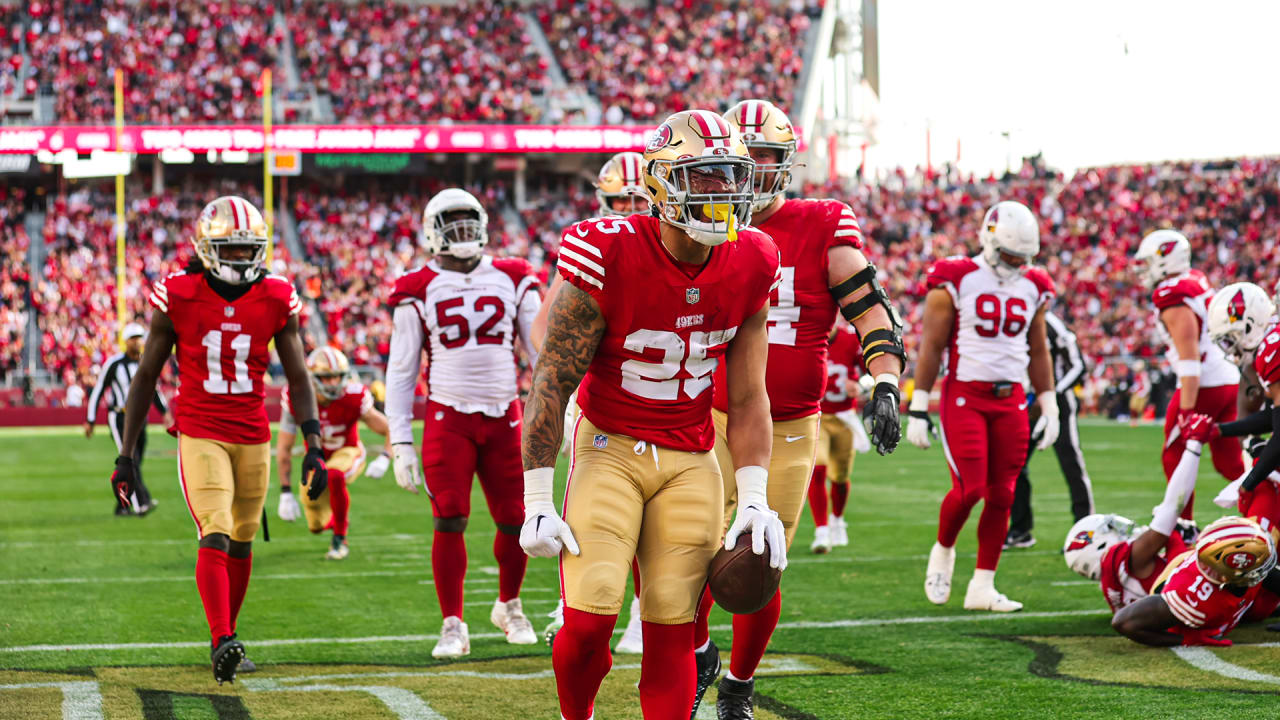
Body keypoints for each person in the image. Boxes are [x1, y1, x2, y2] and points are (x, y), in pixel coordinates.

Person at [519, 109, 786, 720]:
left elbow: (747, 398)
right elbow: (551, 380)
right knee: (590, 622)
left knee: (671, 625)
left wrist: (752, 496)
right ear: (662, 182)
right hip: (609, 446)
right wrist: (536, 496)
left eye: (732, 177)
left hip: (691, 459)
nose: (723, 193)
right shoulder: (607, 250)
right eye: (705, 177)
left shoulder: (754, 258)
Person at [692, 98, 906, 719]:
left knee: (759, 562)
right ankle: (700, 651)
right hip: (700, 416)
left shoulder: (822, 222)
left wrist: (887, 383)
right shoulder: (697, 222)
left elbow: (870, 310)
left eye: (767, 158)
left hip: (787, 421)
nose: (755, 172)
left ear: (786, 164)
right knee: (679, 553)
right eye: (745, 157)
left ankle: (737, 683)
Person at [109, 196, 326, 684]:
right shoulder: (179, 294)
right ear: (206, 248)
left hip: (252, 431)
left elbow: (298, 376)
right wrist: (126, 455)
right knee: (217, 525)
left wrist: (313, 440)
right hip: (201, 427)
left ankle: (227, 635)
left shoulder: (275, 295)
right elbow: (145, 377)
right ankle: (222, 638)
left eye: (247, 249)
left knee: (245, 536)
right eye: (228, 249)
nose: (239, 259)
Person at [385, 188, 543, 658]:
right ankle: (452, 623)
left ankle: (509, 605)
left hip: (504, 411)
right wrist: (400, 442)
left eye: (469, 222)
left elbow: (541, 353)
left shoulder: (513, 275)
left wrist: (563, 409)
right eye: (452, 224)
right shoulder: (417, 286)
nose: (463, 232)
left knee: (517, 519)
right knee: (449, 515)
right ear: (434, 231)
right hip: (447, 414)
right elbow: (401, 368)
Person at [907, 200, 1058, 612]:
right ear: (990, 241)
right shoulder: (956, 277)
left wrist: (1050, 405)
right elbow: (932, 346)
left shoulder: (1035, 284)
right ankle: (943, 550)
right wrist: (919, 404)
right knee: (970, 488)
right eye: (1010, 256)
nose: (1016, 264)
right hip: (965, 396)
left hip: (1012, 399)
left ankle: (982, 587)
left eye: (1022, 258)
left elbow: (1038, 349)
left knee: (1003, 495)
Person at [535, 151, 652, 654]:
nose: (626, 209)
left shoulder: (683, 245)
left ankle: (648, 615)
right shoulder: (594, 250)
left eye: (636, 198)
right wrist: (564, 392)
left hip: (672, 402)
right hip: (604, 401)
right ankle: (578, 601)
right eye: (617, 199)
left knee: (665, 523)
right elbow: (545, 328)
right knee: (593, 506)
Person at [1131, 230, 1243, 518]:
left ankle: (1182, 525)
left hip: (1204, 383)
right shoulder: (1194, 279)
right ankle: (1265, 512)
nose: (1143, 270)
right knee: (1230, 462)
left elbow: (1190, 357)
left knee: (1175, 454)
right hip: (1228, 378)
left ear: (1165, 259)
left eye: (1147, 262)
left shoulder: (1173, 294)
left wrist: (1187, 407)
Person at [1062, 414, 1213, 613]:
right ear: (1099, 545)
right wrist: (1194, 445)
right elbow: (1173, 506)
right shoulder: (1133, 559)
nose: (1124, 528)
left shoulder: (1117, 587)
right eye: (1113, 527)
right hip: (1217, 604)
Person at [276, 347, 392, 560]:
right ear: (312, 377)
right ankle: (334, 522)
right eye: (326, 377)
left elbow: (389, 429)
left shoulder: (353, 396)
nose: (333, 383)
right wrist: (285, 492)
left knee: (334, 475)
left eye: (337, 376)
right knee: (316, 526)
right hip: (317, 458)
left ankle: (340, 538)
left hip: (348, 451)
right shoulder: (297, 397)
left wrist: (385, 458)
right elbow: (284, 448)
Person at [1111, 516, 1278, 646]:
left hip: (1221, 582)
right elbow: (1124, 622)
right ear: (1233, 572)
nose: (1266, 564)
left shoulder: (1228, 572)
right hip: (1173, 589)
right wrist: (1184, 639)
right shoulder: (1193, 597)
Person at [1006, 310, 1094, 548]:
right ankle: (1021, 528)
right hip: (1028, 403)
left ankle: (1086, 531)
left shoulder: (1051, 323)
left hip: (1059, 403)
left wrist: (1050, 395)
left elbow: (1078, 366)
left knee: (1071, 463)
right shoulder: (1012, 319)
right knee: (1014, 465)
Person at [85, 321, 172, 515]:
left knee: (136, 461)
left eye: (140, 338)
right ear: (126, 341)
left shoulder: (145, 362)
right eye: (133, 338)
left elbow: (154, 390)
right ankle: (141, 503)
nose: (137, 342)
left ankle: (122, 505)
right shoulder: (114, 364)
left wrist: (164, 412)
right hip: (119, 416)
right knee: (129, 459)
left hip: (141, 417)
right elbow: (99, 390)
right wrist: (90, 419)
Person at [807, 322, 866, 553]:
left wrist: (860, 385)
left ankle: (837, 520)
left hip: (843, 418)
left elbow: (871, 372)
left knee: (840, 477)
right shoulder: (806, 333)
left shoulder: (851, 340)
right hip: (816, 416)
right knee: (818, 469)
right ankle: (821, 531)